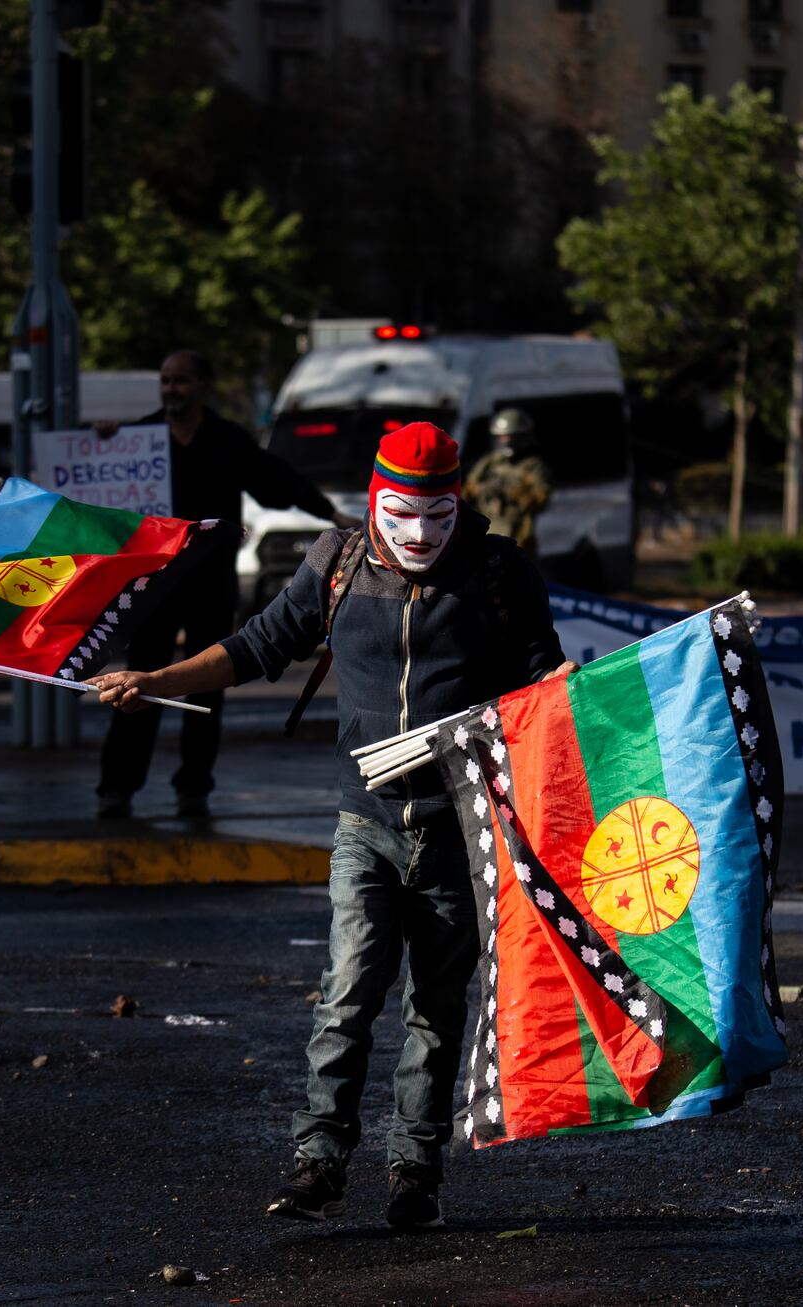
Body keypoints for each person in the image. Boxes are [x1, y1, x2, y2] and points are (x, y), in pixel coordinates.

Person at [89, 422, 573, 1229]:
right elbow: (253, 646)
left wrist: (561, 683)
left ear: (461, 503)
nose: (420, 533)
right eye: (403, 513)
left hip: (460, 824)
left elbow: (538, 680)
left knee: (436, 1005)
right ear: (375, 500)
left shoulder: (499, 571)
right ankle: (318, 1161)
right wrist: (153, 679)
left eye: (439, 515)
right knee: (348, 991)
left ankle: (415, 1173)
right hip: (366, 822)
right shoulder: (337, 561)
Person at [94, 349, 357, 821]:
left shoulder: (227, 440)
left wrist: (331, 514)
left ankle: (193, 788)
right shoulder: (138, 439)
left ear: (203, 386)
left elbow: (278, 480)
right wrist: (100, 444)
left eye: (181, 381)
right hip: (153, 588)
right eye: (166, 381)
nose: (171, 390)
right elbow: (94, 486)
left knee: (207, 688)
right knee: (137, 685)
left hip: (209, 586)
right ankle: (117, 788)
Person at [463, 407, 551, 555]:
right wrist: (484, 489)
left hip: (517, 537)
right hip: (485, 535)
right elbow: (467, 492)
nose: (506, 442)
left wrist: (514, 492)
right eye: (502, 438)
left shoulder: (532, 466)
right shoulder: (488, 463)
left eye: (511, 438)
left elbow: (540, 499)